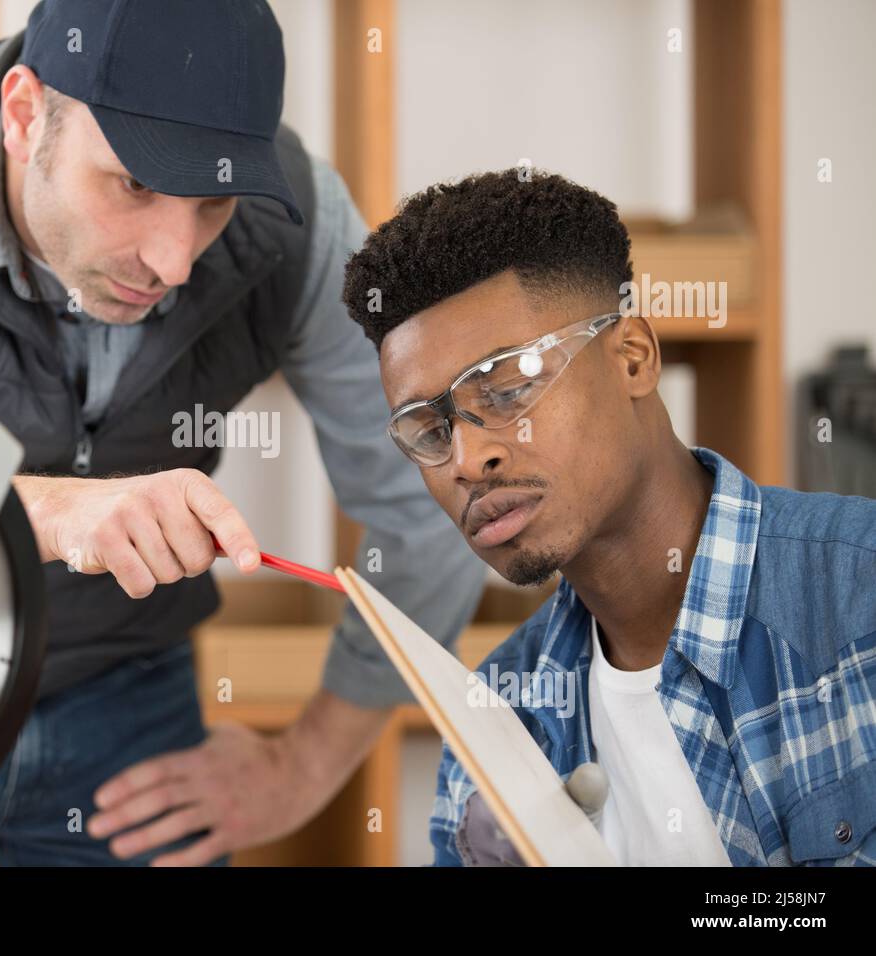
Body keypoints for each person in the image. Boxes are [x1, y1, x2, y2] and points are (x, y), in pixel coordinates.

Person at [0, 0, 486, 865]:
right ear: (23, 115)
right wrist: (49, 514)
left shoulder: (299, 221)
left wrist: (302, 769)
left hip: (124, 704)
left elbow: (438, 492)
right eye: (137, 185)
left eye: (214, 204)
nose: (175, 261)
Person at [341, 168, 876, 866]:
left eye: (506, 389)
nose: (467, 461)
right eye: (429, 429)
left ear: (632, 358)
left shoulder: (859, 603)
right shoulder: (499, 716)